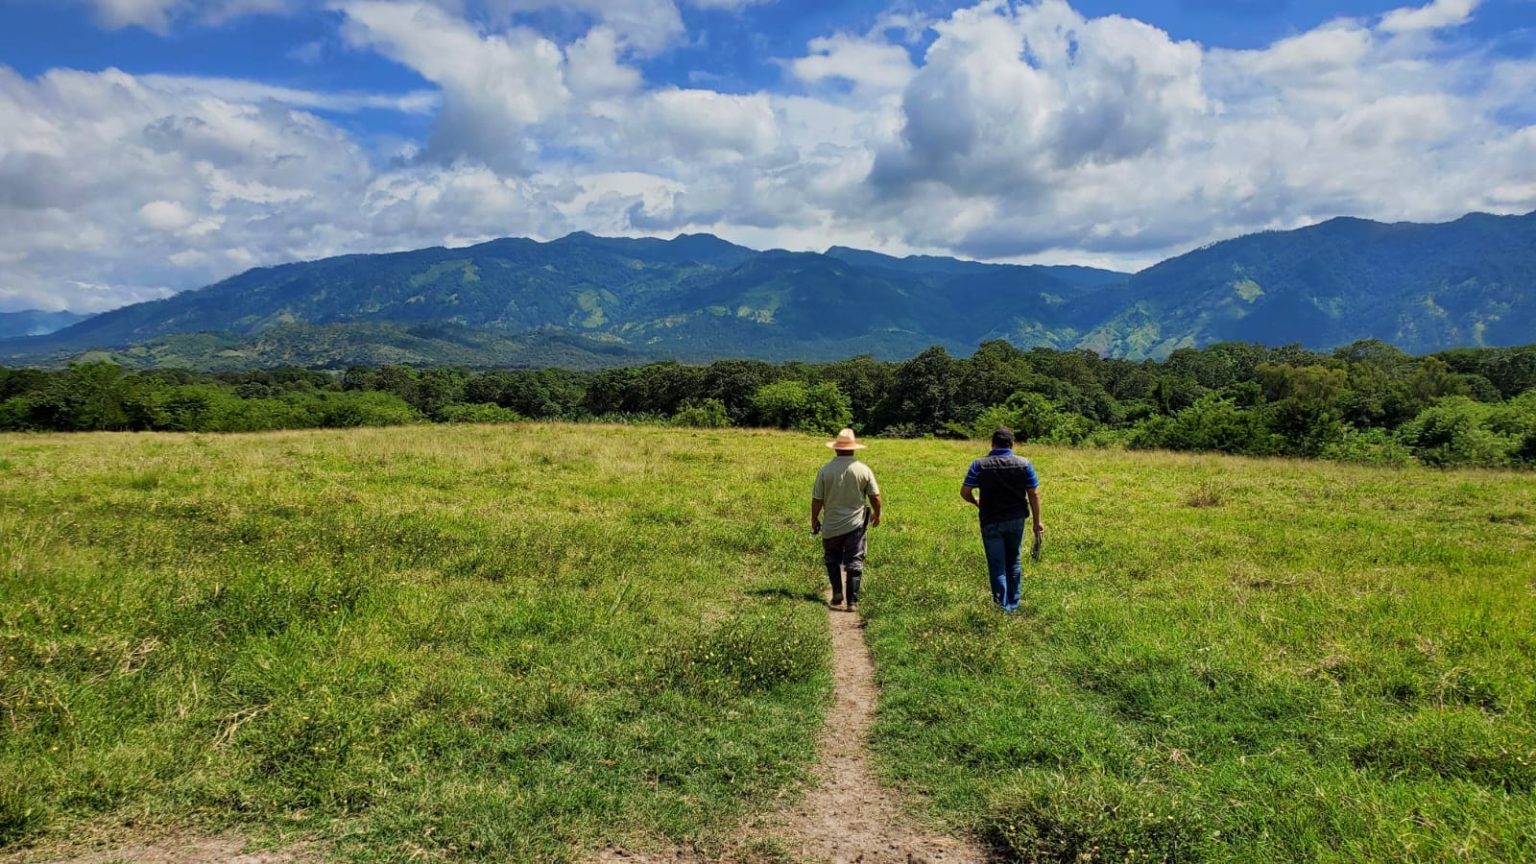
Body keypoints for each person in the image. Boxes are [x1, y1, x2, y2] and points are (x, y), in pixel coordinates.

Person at [960, 427, 1043, 612]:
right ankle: (1014, 604)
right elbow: (1034, 494)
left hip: (990, 519)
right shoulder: (1024, 464)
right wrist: (1037, 522)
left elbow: (965, 492)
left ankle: (1001, 608)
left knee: (997, 565)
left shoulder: (979, 464)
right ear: (1012, 444)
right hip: (1016, 519)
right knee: (1013, 561)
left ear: (992, 443)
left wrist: (976, 502)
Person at [811, 428, 882, 611]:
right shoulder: (863, 470)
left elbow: (817, 499)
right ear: (854, 448)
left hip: (831, 524)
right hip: (856, 525)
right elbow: (875, 497)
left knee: (832, 558)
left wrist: (814, 519)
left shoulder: (825, 470)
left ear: (836, 449)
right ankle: (852, 601)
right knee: (854, 561)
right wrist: (877, 514)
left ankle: (837, 592)